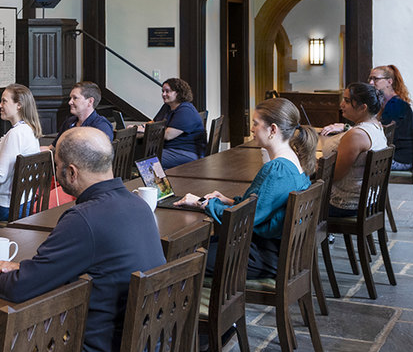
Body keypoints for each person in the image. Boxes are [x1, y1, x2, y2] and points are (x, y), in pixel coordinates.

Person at [0, 127, 164, 352]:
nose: (55, 174)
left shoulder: (84, 218)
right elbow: (81, 265)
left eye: (56, 167)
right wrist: (23, 268)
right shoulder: (138, 205)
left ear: (71, 172)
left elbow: (20, 289)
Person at [176, 97, 316, 278]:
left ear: (273, 129)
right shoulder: (294, 160)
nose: (251, 129)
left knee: (182, 258)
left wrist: (201, 202)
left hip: (261, 254)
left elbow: (244, 218)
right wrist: (229, 201)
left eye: (256, 124)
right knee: (194, 249)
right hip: (272, 250)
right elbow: (262, 206)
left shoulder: (277, 170)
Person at [325, 82, 389, 217]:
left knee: (291, 203)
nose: (341, 104)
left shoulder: (356, 135)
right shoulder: (376, 125)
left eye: (347, 101)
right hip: (369, 200)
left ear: (363, 108)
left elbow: (336, 175)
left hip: (346, 204)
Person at [0, 84, 43, 220]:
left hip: (3, 206)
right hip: (24, 204)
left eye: (4, 101)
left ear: (19, 105)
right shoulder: (29, 130)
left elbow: (0, 176)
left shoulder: (15, 134)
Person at [369, 64, 413, 170]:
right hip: (400, 156)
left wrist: (347, 128)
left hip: (401, 159)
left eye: (375, 79)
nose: (371, 83)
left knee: (359, 161)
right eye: (370, 79)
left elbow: (378, 132)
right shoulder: (388, 102)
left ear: (389, 82)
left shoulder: (395, 105)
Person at [148, 77, 206, 167]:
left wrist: (144, 130)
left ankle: (161, 176)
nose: (163, 94)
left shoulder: (186, 110)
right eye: (163, 91)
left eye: (167, 91)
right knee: (143, 154)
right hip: (170, 149)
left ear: (178, 93)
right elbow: (154, 122)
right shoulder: (167, 106)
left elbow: (168, 135)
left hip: (186, 152)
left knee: (147, 160)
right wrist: (140, 127)